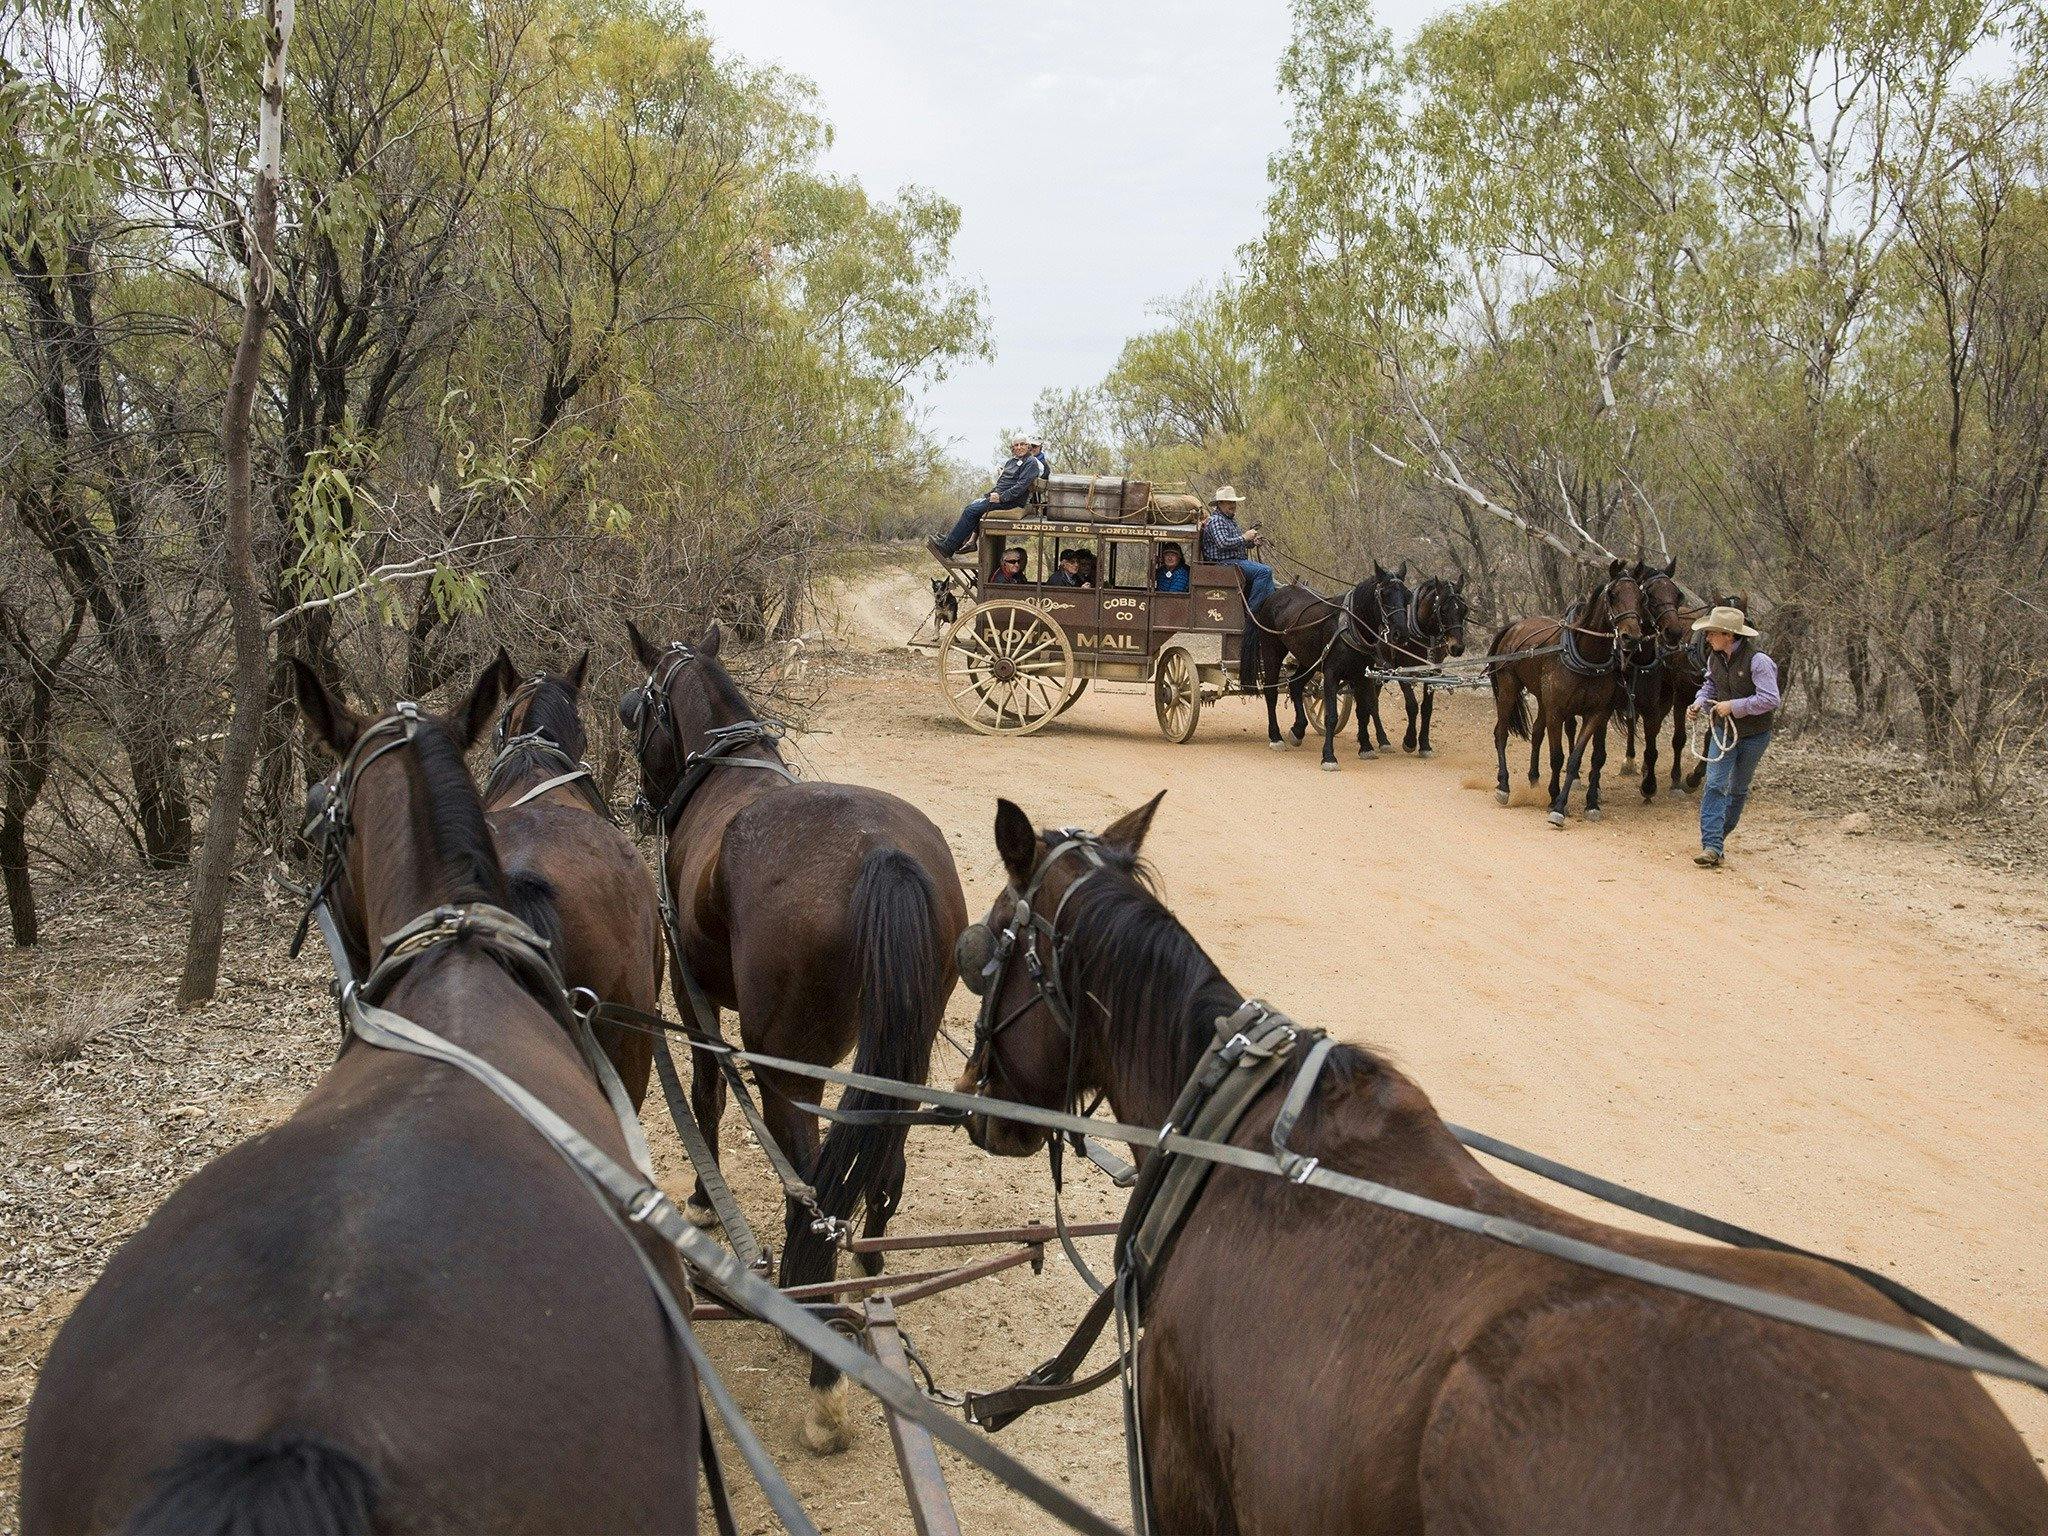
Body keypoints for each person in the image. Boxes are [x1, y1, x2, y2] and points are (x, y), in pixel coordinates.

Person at [1686, 605, 1779, 868]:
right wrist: (1699, 702)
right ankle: (1712, 845)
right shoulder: (1714, 658)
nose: (1707, 638)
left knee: (1738, 787)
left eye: (1712, 633)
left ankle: (1718, 840)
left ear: (1729, 635)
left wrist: (1734, 706)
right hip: (1722, 730)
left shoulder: (1759, 662)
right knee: (1715, 783)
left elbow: (1771, 699)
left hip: (1755, 734)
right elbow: (1710, 685)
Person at [928, 433, 1047, 558]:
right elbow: (1002, 482)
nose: (1019, 447)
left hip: (1011, 501)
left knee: (970, 511)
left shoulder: (1030, 463)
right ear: (1012, 448)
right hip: (999, 498)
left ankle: (948, 547)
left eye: (1022, 444)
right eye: (1016, 445)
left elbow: (1021, 487)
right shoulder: (1012, 462)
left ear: (1028, 446)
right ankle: (951, 541)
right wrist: (989, 495)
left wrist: (1001, 497)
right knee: (973, 507)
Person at [1199, 486, 1272, 611]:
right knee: (1264, 572)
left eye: (1234, 502)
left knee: (1269, 579)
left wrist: (1252, 542)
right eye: (1229, 502)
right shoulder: (1216, 520)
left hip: (1235, 562)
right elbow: (1223, 543)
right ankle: (1253, 612)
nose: (1233, 505)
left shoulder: (1229, 520)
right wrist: (1244, 537)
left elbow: (1236, 544)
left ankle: (1265, 608)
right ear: (1220, 503)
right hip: (1223, 564)